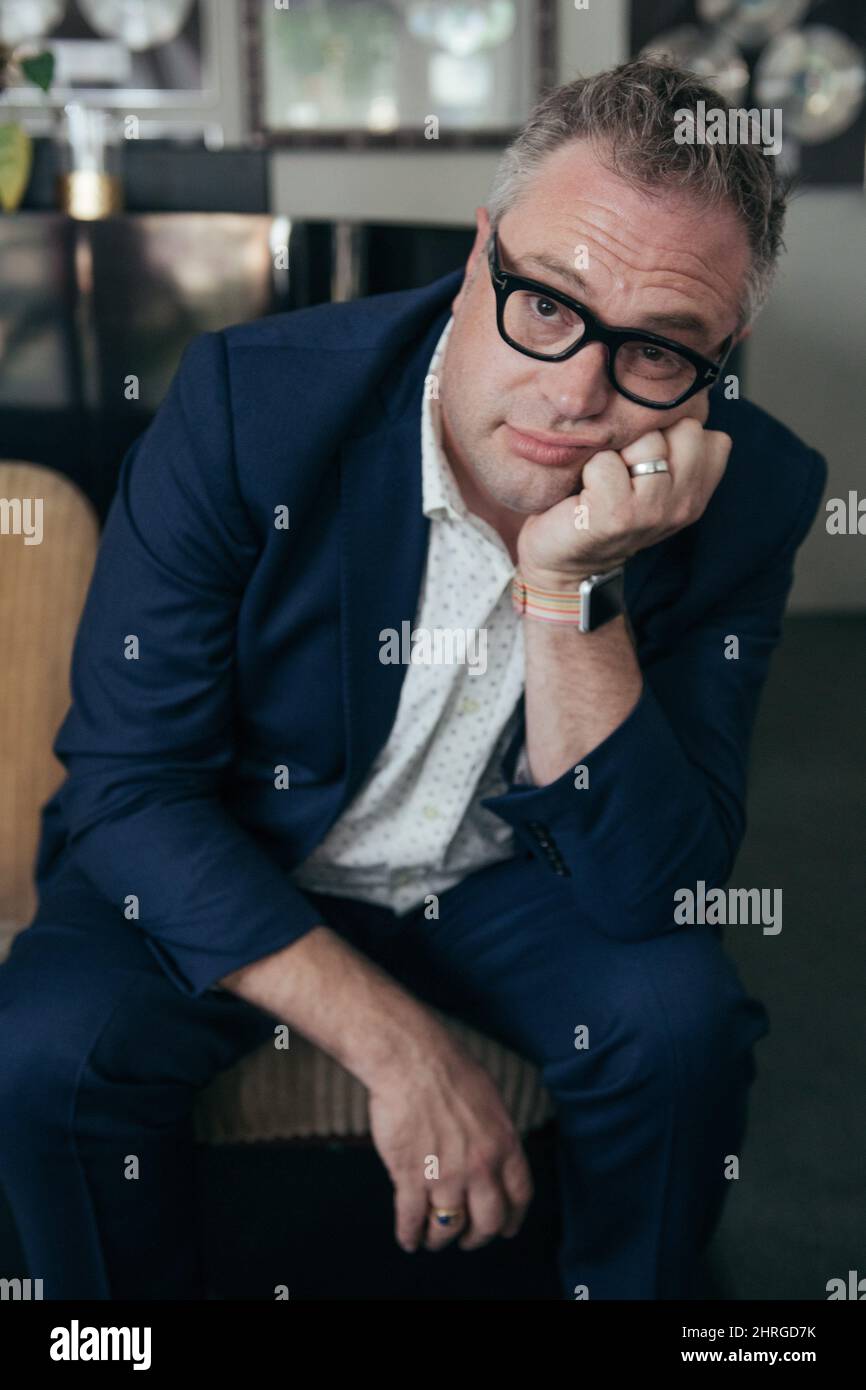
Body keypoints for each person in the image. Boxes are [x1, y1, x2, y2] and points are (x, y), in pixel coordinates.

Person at [0, 58, 826, 1300]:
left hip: (504, 881)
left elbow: (653, 882)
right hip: (239, 847)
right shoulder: (246, 407)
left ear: (725, 350)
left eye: (656, 348)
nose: (575, 391)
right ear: (480, 250)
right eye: (544, 302)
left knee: (680, 1030)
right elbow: (128, 791)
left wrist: (571, 589)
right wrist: (400, 1047)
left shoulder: (746, 488)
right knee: (46, 1051)